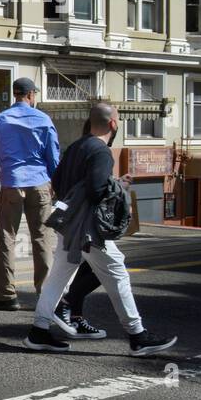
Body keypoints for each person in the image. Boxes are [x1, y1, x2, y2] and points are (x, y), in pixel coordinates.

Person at [26, 102, 176, 356]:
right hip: (88, 229)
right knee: (117, 274)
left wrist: (111, 183)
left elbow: (60, 181)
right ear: (113, 124)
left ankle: (39, 331)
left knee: (58, 277)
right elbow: (96, 189)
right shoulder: (102, 151)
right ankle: (137, 336)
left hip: (68, 223)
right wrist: (119, 189)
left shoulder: (77, 146)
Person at [0, 77, 61, 310]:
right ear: (31, 95)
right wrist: (55, 182)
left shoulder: (0, 119)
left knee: (7, 239)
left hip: (12, 183)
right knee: (42, 238)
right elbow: (54, 156)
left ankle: (7, 295)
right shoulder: (44, 119)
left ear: (16, 95)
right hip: (40, 183)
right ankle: (45, 294)